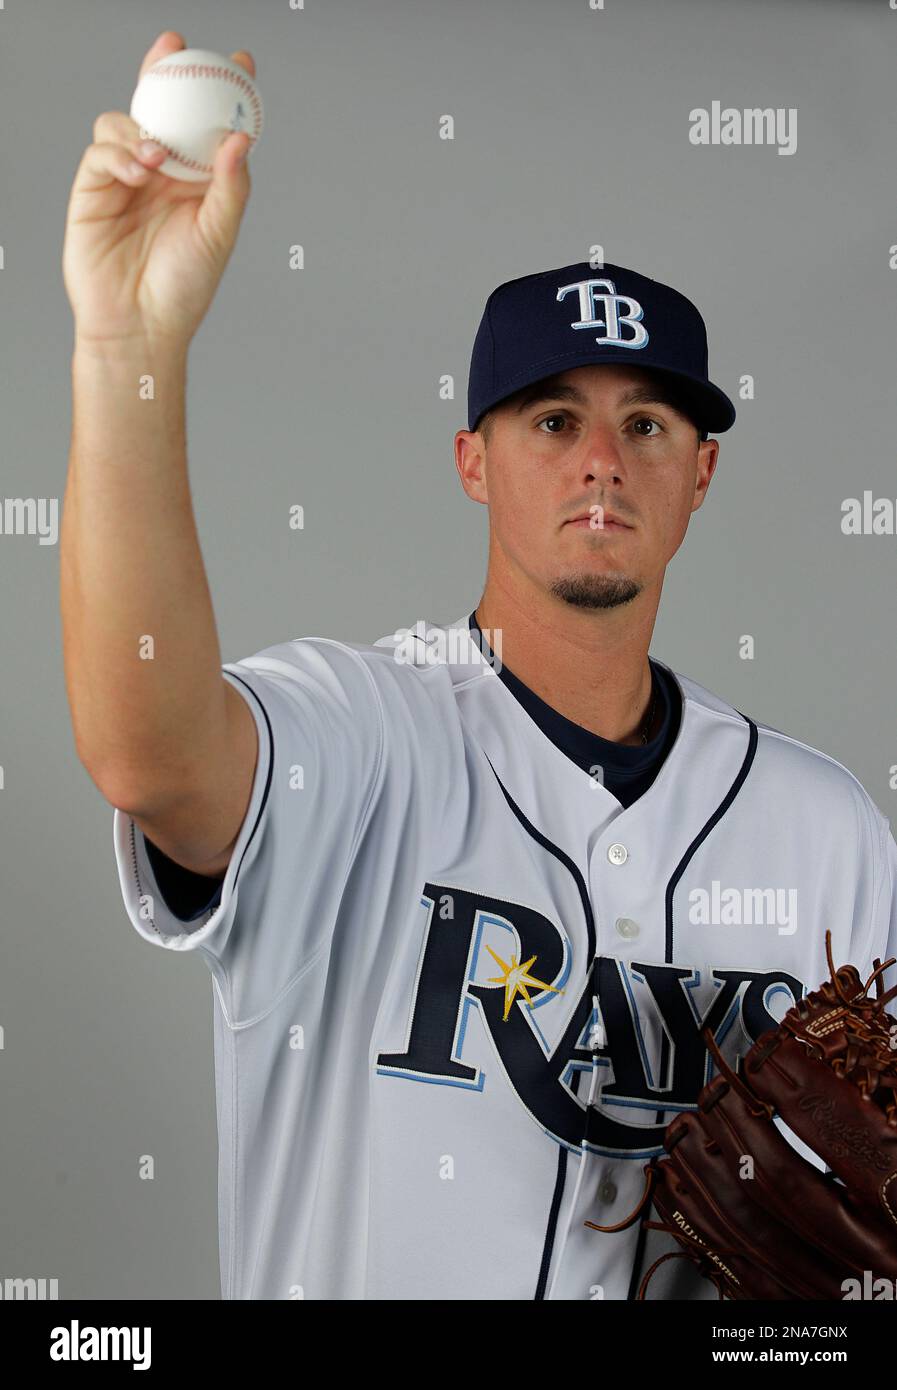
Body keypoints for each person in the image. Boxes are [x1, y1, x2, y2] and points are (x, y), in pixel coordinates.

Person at [61, 32, 897, 1302]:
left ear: (700, 474)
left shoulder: (823, 828)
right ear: (474, 462)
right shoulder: (361, 736)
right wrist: (127, 346)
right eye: (553, 419)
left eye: (647, 424)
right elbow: (148, 753)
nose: (601, 460)